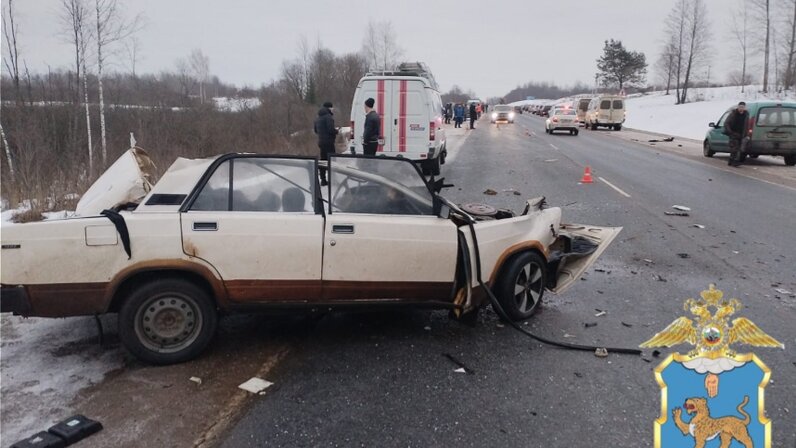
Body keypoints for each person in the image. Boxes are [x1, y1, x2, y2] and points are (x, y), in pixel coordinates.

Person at [314, 101, 338, 185]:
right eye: (332, 108)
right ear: (329, 108)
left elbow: (316, 131)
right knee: (332, 160)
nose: (333, 109)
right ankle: (333, 179)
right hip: (329, 142)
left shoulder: (317, 118)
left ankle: (323, 180)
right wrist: (336, 131)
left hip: (321, 142)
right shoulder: (328, 117)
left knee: (323, 161)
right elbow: (331, 130)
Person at [723, 101, 749, 167]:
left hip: (742, 134)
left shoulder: (746, 115)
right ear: (738, 107)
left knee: (740, 148)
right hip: (734, 133)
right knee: (735, 148)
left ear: (745, 108)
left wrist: (746, 133)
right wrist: (730, 132)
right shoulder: (733, 114)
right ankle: (734, 161)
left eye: (743, 107)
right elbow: (726, 123)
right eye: (740, 107)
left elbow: (747, 125)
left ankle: (731, 160)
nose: (741, 108)